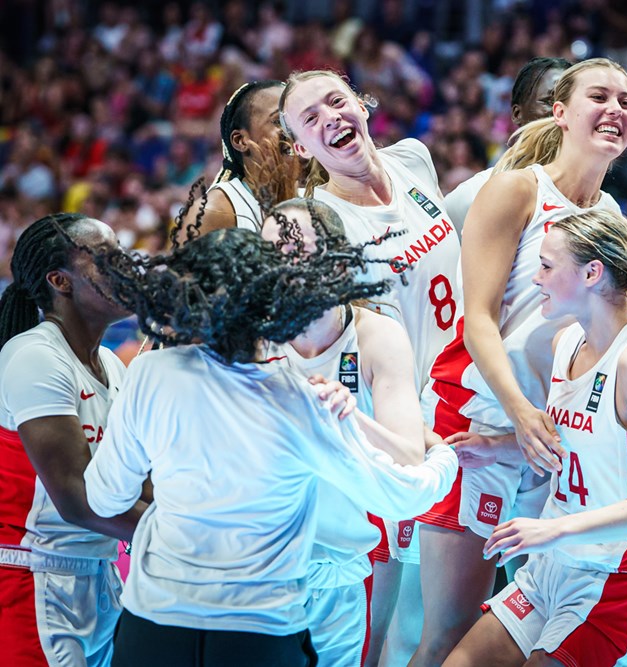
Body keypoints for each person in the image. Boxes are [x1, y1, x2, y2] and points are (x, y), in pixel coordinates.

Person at [81, 222, 459, 667]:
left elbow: (105, 499)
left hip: (153, 625)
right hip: (257, 631)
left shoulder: (150, 374)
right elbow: (400, 496)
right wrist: (442, 455)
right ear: (271, 301)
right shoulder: (296, 398)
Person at [411, 58, 627, 665]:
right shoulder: (516, 188)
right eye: (600, 96)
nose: (616, 109)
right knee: (449, 632)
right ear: (560, 112)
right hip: (482, 420)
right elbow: (478, 316)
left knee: (518, 631)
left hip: (547, 440)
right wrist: (515, 409)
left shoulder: (611, 218)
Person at [443, 209, 627, 667]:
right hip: (551, 565)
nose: (536, 278)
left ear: (591, 273)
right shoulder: (565, 343)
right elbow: (580, 439)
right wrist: (500, 447)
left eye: (546, 265)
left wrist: (554, 527)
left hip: (620, 575)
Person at [278, 68, 462, 666]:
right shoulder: (320, 223)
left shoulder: (414, 160)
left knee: (447, 612)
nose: (329, 116)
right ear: (301, 147)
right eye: (310, 118)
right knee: (389, 625)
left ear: (362, 104)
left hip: (469, 396)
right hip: (406, 420)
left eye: (336, 100)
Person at [260, 197, 425, 667]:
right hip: (263, 563)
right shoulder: (249, 338)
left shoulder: (376, 336)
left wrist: (349, 415)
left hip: (349, 564)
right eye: (274, 254)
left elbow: (410, 458)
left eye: (300, 251)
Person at [0, 213, 147, 667]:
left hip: (99, 576)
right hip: (32, 578)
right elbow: (78, 500)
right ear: (60, 281)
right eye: (107, 258)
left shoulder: (112, 365)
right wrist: (189, 537)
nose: (127, 266)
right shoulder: (34, 355)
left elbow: (135, 482)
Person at [444, 57, 571, 235]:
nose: (561, 111)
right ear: (517, 114)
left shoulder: (601, 204)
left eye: (569, 102)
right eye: (550, 101)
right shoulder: (470, 196)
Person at [177, 80, 287, 241]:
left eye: (297, 119)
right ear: (241, 140)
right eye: (278, 121)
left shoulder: (319, 194)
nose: (292, 129)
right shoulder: (213, 213)